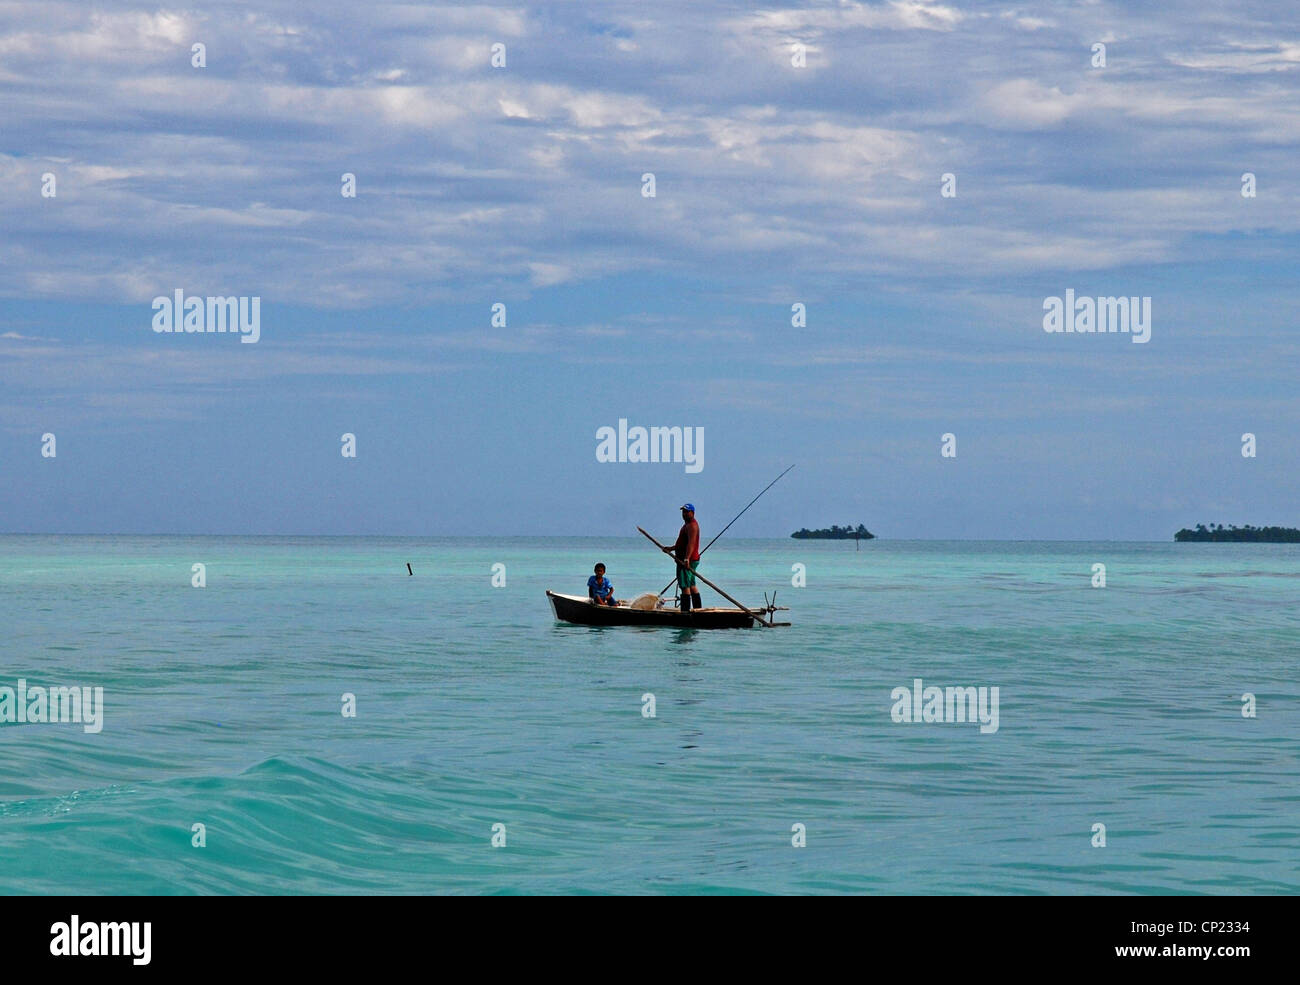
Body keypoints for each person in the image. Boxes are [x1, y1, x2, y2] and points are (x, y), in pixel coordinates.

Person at [663, 503, 701, 612]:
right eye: (683, 512)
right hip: (689, 559)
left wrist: (686, 559)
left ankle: (685, 612)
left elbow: (691, 544)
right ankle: (698, 610)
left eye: (686, 512)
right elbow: (682, 544)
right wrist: (671, 548)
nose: (684, 514)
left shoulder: (692, 526)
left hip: (686, 561)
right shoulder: (687, 525)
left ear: (692, 513)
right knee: (691, 584)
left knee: (685, 586)